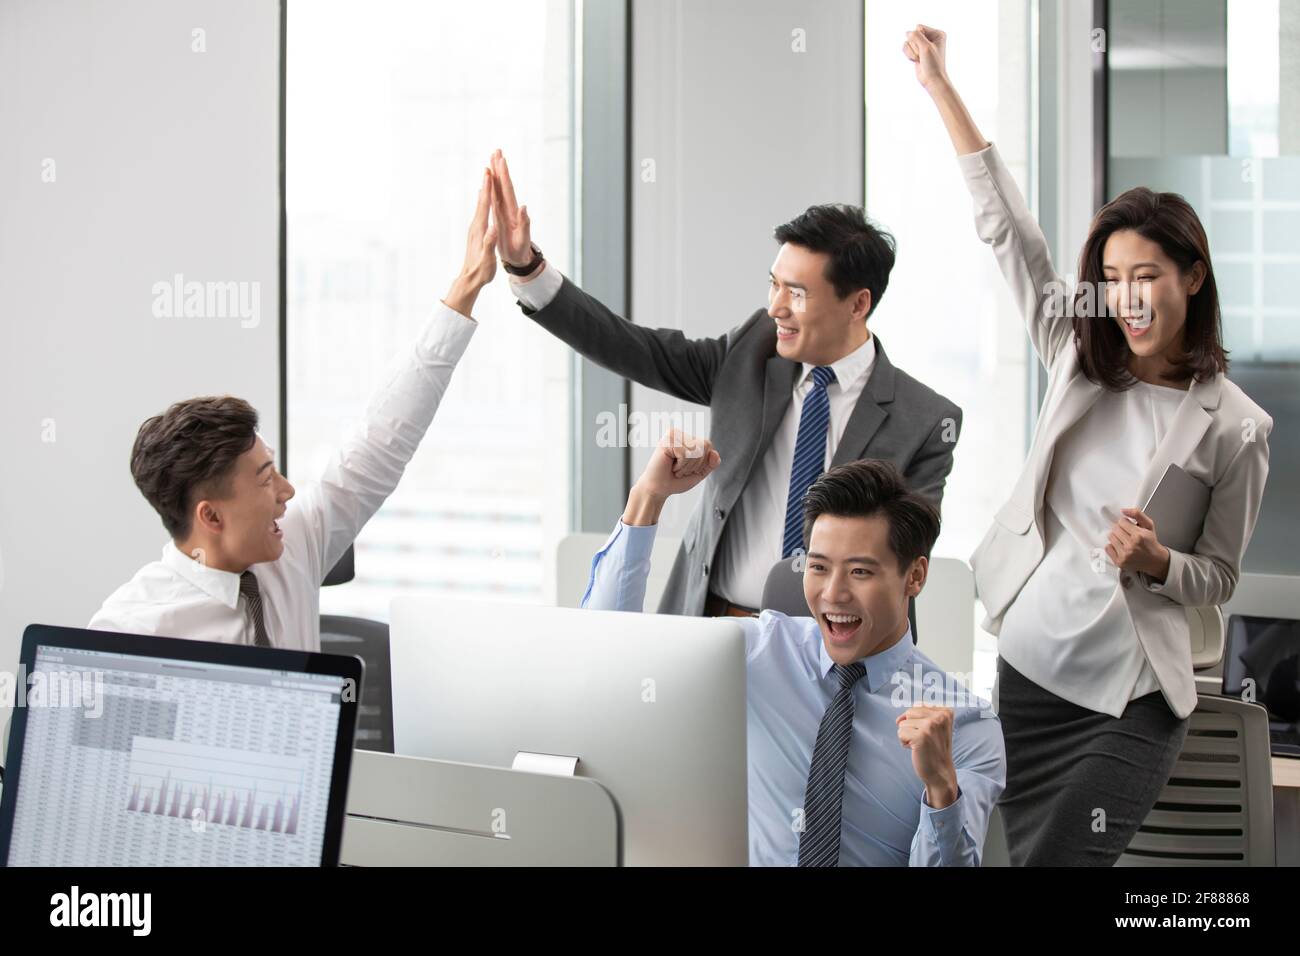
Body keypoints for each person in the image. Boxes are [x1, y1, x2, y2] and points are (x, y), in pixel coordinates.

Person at [905, 25, 1272, 865]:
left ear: (1193, 276)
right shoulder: (1078, 354)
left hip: (1134, 695)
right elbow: (1009, 231)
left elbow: (1218, 574)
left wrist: (1153, 564)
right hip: (1029, 670)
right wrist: (940, 87)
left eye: (1146, 276)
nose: (1127, 298)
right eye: (1111, 279)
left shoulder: (1238, 426)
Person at [486, 150, 961, 618]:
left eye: (796, 293)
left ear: (858, 305)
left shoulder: (924, 420)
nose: (776, 307)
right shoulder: (753, 352)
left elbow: (901, 562)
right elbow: (638, 349)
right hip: (713, 629)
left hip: (834, 657)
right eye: (773, 284)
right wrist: (528, 269)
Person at [87, 170, 501, 649]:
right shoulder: (130, 632)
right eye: (265, 479)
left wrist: (467, 285)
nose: (287, 492)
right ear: (211, 517)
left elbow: (379, 443)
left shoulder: (293, 545)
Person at [583, 428, 1005, 866]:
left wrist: (941, 789)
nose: (834, 594)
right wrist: (648, 498)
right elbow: (609, 654)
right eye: (819, 567)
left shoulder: (968, 726)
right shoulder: (751, 653)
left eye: (860, 572)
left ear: (915, 576)